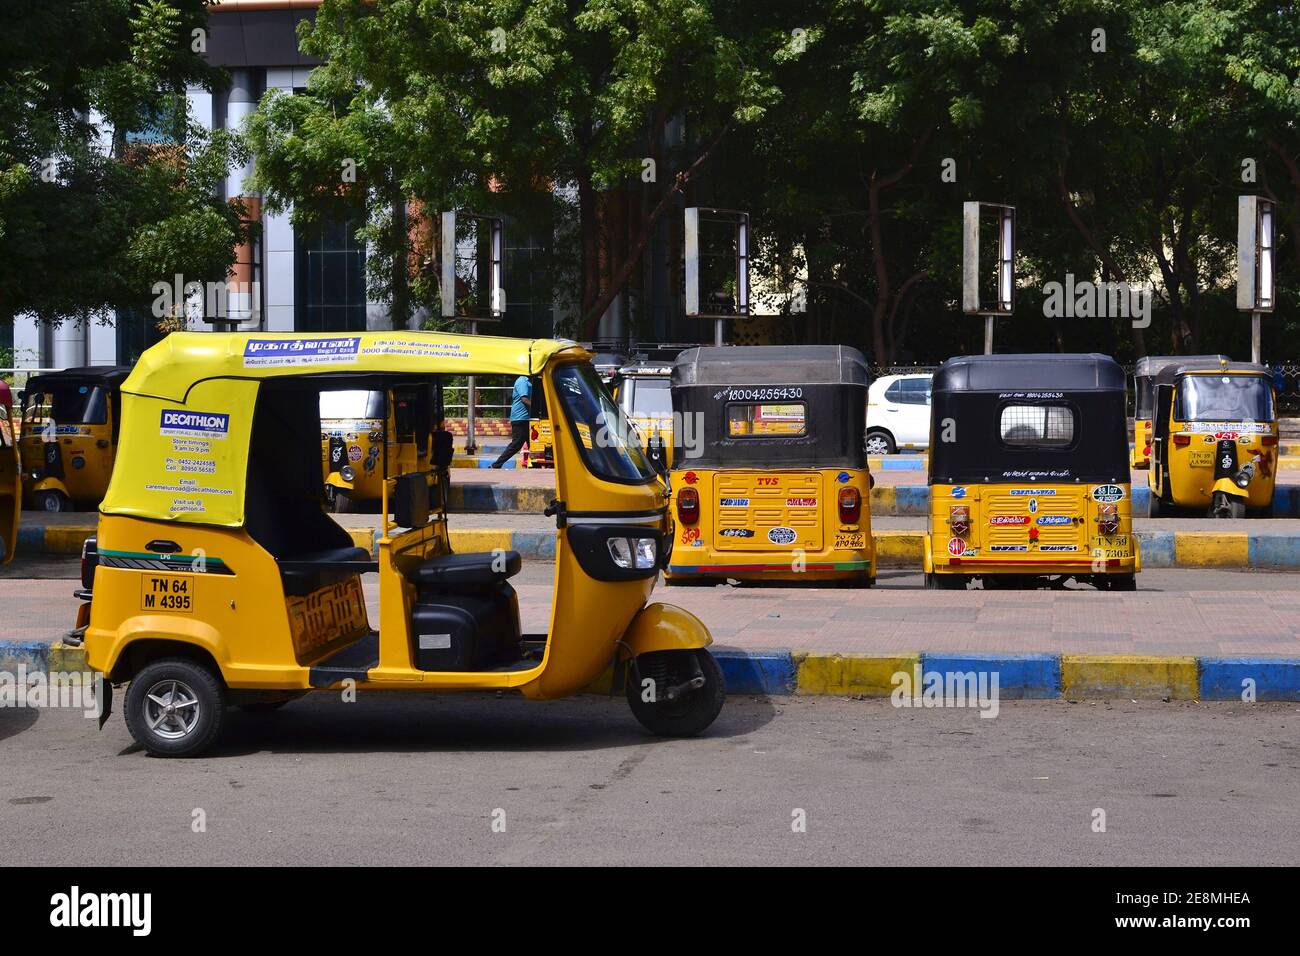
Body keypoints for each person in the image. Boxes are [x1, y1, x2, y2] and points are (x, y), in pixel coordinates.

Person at [491, 375, 532, 468]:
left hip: (526, 418)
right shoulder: (522, 380)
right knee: (516, 444)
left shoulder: (529, 380)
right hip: (520, 418)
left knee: (533, 443)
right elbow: (524, 399)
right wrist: (537, 409)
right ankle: (497, 464)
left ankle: (536, 464)